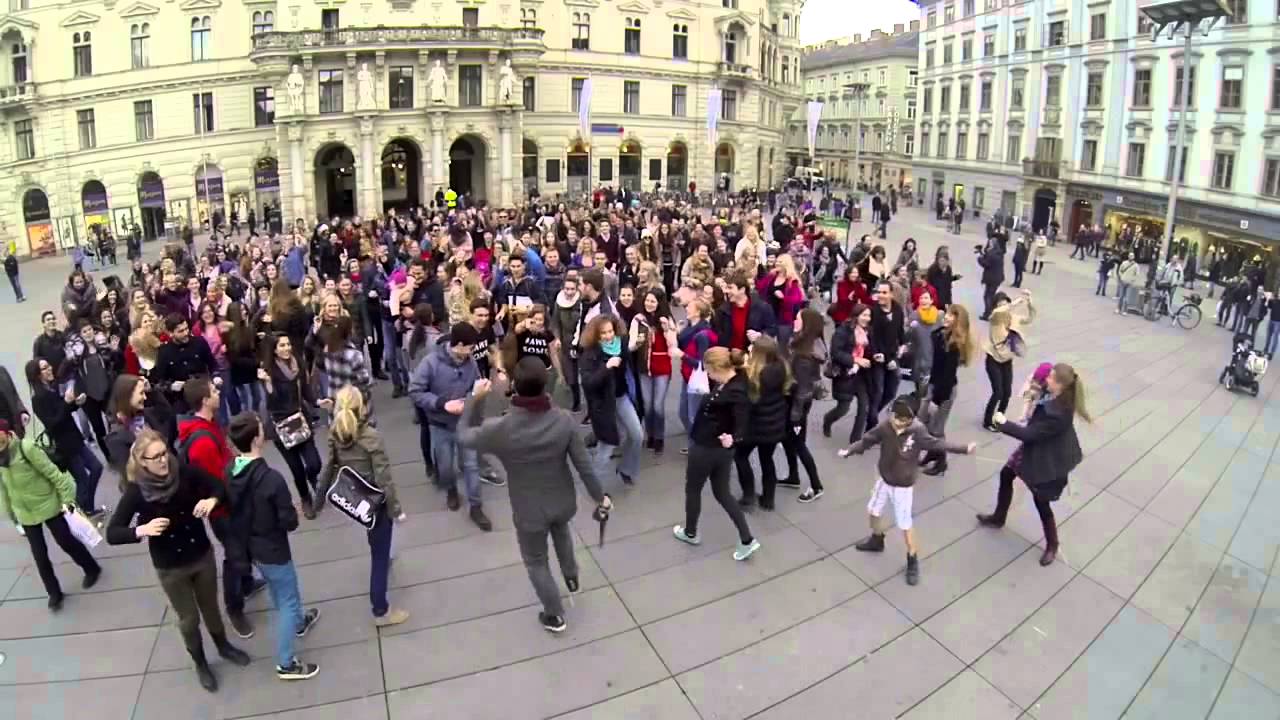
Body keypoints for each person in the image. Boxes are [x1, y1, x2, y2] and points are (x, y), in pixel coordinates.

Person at [457, 358, 612, 633]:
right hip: (562, 500)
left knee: (536, 561)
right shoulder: (563, 420)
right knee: (561, 531)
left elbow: (465, 436)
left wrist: (475, 399)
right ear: (544, 385)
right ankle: (571, 575)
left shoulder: (501, 429)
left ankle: (554, 615)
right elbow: (584, 467)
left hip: (528, 510)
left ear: (515, 387)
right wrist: (601, 498)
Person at [106, 429, 251, 691]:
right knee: (189, 619)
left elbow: (218, 485)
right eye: (155, 457)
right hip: (171, 567)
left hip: (201, 555)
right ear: (142, 462)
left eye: (164, 453)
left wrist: (212, 500)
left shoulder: (183, 472)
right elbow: (113, 533)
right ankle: (200, 663)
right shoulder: (136, 491)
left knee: (211, 607)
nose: (163, 460)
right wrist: (141, 530)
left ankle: (223, 646)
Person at [224, 413, 322, 680]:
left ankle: (299, 622)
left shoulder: (231, 471)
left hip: (252, 547)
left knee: (282, 590)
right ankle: (286, 662)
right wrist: (292, 512)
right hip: (274, 549)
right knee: (287, 600)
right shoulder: (272, 479)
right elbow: (288, 522)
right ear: (257, 439)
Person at [840, 398, 976, 586]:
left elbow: (937, 444)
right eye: (896, 418)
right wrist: (850, 450)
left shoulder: (918, 431)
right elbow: (867, 440)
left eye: (904, 421)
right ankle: (877, 539)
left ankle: (912, 558)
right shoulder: (885, 427)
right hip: (884, 479)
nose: (898, 423)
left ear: (911, 419)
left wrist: (964, 449)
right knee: (873, 511)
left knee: (904, 524)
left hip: (902, 486)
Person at [978, 363, 1089, 567]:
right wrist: (1033, 380)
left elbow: (1029, 434)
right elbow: (1042, 372)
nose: (1047, 379)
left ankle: (1052, 545)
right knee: (1006, 474)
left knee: (1041, 501)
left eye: (1051, 378)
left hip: (1047, 459)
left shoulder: (1058, 414)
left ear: (1060, 385)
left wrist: (1003, 423)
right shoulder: (1055, 393)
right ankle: (999, 517)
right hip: (1036, 449)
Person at [178, 377, 265, 639]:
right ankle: (234, 607)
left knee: (242, 550)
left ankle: (247, 583)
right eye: (214, 391)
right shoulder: (203, 442)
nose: (218, 392)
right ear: (205, 400)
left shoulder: (207, 425)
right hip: (225, 511)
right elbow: (217, 481)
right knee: (235, 557)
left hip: (229, 506)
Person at [315, 387, 407, 626]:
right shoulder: (371, 437)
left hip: (355, 498)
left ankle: (382, 555)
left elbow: (328, 468)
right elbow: (384, 479)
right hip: (376, 502)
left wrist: (317, 502)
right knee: (379, 557)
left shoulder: (335, 434)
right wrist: (396, 510)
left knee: (374, 539)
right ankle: (381, 611)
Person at [0, 419, 102, 610]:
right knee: (40, 555)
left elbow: (53, 473)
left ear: (7, 433)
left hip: (48, 504)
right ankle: (54, 593)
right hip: (25, 513)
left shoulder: (25, 448)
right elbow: (3, 488)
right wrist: (11, 513)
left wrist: (67, 500)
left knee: (66, 541)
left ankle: (91, 568)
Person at [673, 347, 761, 561]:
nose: (709, 375)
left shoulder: (734, 392)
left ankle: (690, 532)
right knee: (722, 493)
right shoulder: (733, 382)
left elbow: (743, 421)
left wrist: (734, 437)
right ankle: (747, 539)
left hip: (706, 448)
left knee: (693, 489)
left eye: (709, 371)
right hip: (721, 452)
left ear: (718, 368)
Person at [408, 322, 492, 530]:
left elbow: (474, 385)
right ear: (460, 345)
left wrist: (479, 392)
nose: (473, 351)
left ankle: (476, 506)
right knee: (445, 467)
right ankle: (451, 490)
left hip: (465, 424)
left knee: (471, 466)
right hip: (440, 425)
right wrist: (441, 404)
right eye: (471, 347)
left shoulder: (470, 362)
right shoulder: (430, 363)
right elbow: (415, 391)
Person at [26, 358, 106, 518]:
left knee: (96, 468)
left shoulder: (52, 388)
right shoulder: (38, 398)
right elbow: (52, 423)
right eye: (44, 368)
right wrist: (66, 403)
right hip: (65, 446)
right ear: (37, 375)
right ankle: (78, 516)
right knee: (82, 480)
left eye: (48, 365)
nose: (50, 368)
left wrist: (76, 403)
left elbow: (65, 411)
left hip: (75, 439)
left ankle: (86, 508)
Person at [259, 334, 328, 518]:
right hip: (281, 425)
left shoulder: (297, 364)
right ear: (274, 350)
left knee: (314, 462)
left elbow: (305, 390)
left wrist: (317, 402)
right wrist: (268, 384)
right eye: (282, 345)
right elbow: (272, 403)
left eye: (288, 344)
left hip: (300, 419)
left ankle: (312, 477)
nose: (287, 348)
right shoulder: (268, 371)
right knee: (296, 468)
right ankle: (306, 499)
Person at [578, 315, 644, 487]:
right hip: (603, 404)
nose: (608, 336)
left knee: (637, 435)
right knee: (607, 445)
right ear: (596, 334)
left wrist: (635, 346)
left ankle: (626, 469)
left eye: (610, 331)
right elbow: (588, 383)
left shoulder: (621, 343)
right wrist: (606, 367)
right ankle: (595, 485)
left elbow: (628, 361)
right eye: (603, 333)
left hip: (621, 396)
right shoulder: (590, 353)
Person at [919, 303, 975, 476]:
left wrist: (936, 401)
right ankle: (932, 452)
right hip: (934, 384)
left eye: (951, 315)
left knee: (936, 429)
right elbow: (934, 338)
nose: (946, 317)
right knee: (925, 422)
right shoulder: (942, 335)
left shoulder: (955, 345)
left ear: (958, 321)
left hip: (944, 391)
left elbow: (947, 377)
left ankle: (941, 461)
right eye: (947, 314)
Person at [736, 336, 790, 511]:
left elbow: (747, 402)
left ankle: (748, 496)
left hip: (754, 426)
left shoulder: (753, 375)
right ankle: (768, 499)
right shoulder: (781, 367)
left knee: (740, 456)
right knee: (767, 460)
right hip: (774, 424)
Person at [785, 308, 825, 502]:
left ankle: (816, 486)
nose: (794, 321)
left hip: (797, 406)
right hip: (796, 402)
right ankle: (793, 476)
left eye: (798, 318)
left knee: (799, 443)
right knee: (788, 440)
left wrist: (795, 417)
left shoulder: (804, 357)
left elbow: (802, 390)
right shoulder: (802, 345)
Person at [629, 289, 674, 454]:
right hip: (644, 367)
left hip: (662, 366)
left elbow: (673, 345)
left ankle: (659, 437)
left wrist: (667, 329)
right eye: (647, 300)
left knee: (657, 406)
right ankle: (651, 435)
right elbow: (631, 345)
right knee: (647, 405)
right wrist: (637, 343)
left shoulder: (667, 320)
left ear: (659, 303)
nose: (649, 304)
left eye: (653, 301)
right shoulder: (638, 320)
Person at [982, 292, 1034, 431]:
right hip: (993, 359)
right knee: (997, 392)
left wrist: (1029, 303)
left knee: (1007, 393)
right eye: (1000, 305)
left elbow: (1029, 319)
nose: (1004, 307)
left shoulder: (1013, 318)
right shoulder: (995, 319)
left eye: (1005, 303)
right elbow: (998, 312)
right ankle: (987, 421)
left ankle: (999, 418)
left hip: (1007, 360)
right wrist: (1013, 304)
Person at [713, 268, 776, 351]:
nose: (726, 291)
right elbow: (717, 333)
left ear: (742, 289)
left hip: (752, 354)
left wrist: (760, 335)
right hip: (728, 355)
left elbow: (772, 329)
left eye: (730, 288)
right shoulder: (722, 310)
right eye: (726, 288)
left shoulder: (762, 308)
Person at [978, 236, 1006, 321]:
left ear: (993, 244)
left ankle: (988, 314)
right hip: (998, 277)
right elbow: (989, 259)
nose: (989, 244)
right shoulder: (999, 253)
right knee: (991, 295)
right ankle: (990, 312)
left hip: (991, 278)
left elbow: (986, 263)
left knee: (987, 296)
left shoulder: (991, 253)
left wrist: (979, 259)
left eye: (990, 243)